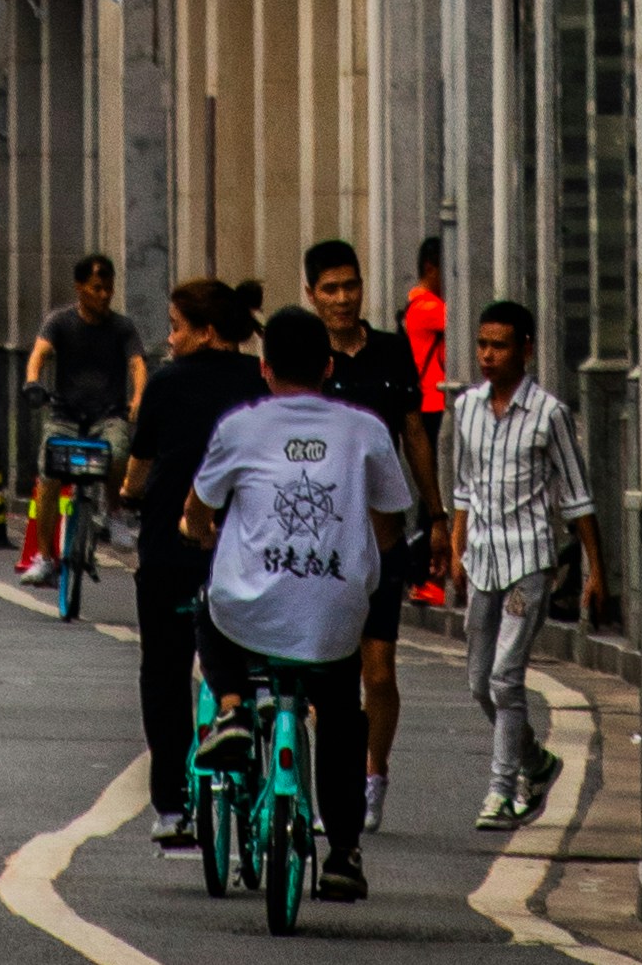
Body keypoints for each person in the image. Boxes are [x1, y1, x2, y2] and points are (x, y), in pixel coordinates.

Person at [179, 299, 413, 905]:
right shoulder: (366, 430)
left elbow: (198, 512)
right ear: (328, 366)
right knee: (339, 711)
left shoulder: (240, 427)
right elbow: (391, 523)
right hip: (334, 618)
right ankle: (343, 853)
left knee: (211, 603)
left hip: (248, 613)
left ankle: (230, 707)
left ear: (264, 367)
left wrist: (201, 534)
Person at [441, 295, 607, 830]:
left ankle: (500, 791)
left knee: (506, 679)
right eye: (483, 345)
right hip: (482, 559)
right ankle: (537, 763)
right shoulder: (466, 407)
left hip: (528, 562)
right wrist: (456, 543)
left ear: (526, 350)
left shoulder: (550, 415)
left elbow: (578, 497)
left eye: (499, 345)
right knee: (478, 682)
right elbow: (464, 485)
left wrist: (594, 570)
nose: (488, 355)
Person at [303, 240, 438, 842]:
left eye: (349, 285)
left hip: (382, 539)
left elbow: (412, 428)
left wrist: (436, 513)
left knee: (378, 674)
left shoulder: (389, 348)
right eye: (329, 288)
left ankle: (373, 772)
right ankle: (328, 776)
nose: (341, 297)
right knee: (327, 674)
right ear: (311, 295)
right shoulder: (306, 358)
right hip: (320, 542)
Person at [121, 279, 258, 851]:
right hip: (243, 548)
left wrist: (130, 493)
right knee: (247, 668)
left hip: (171, 548)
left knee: (165, 671)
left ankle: (172, 806)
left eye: (176, 327)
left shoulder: (167, 382)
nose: (169, 339)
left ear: (204, 332)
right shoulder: (259, 382)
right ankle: (252, 774)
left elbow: (139, 467)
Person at [16, 250, 144, 595]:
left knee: (117, 452)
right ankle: (45, 557)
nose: (104, 295)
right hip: (65, 416)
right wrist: (32, 380)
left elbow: (137, 365)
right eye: (97, 288)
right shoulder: (59, 322)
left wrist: (137, 398)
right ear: (79, 288)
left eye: (109, 289)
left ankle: (114, 512)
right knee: (49, 475)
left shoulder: (122, 327)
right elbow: (39, 354)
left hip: (109, 416)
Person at [400, 242, 451, 598]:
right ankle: (424, 576)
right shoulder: (429, 307)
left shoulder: (416, 306)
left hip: (433, 402)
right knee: (431, 493)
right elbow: (463, 321)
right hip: (432, 403)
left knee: (429, 492)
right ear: (433, 268)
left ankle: (423, 574)